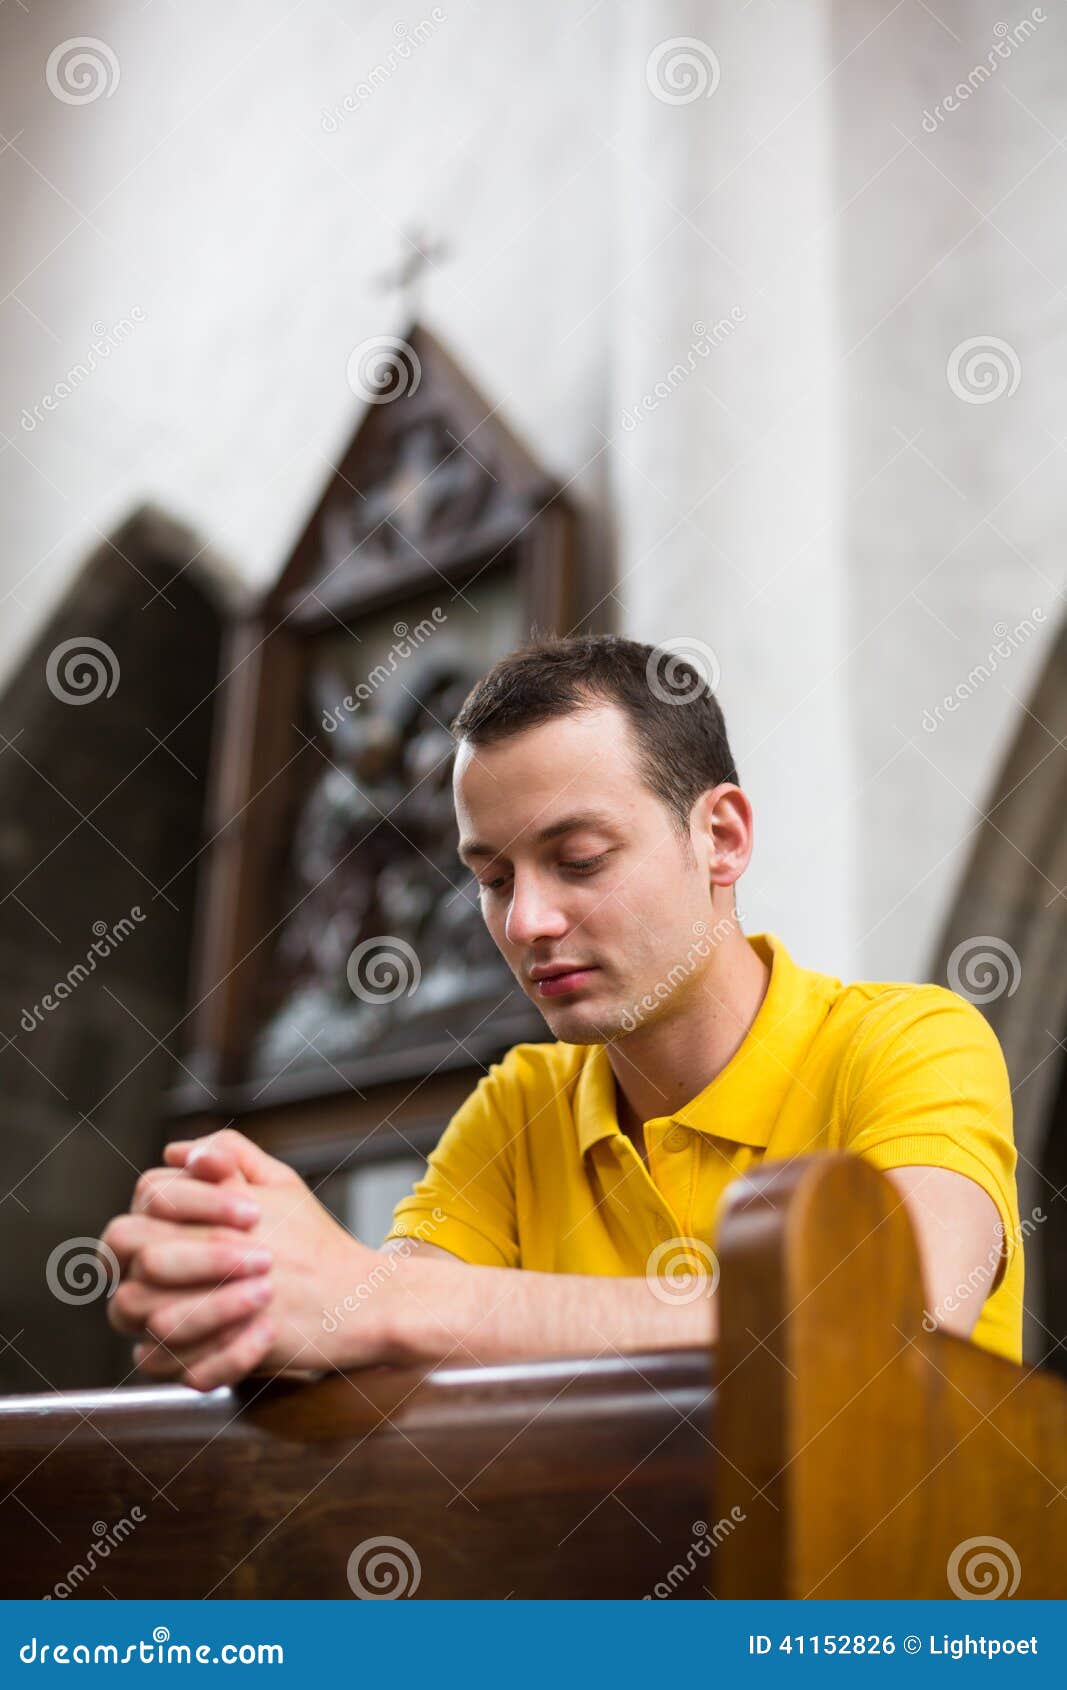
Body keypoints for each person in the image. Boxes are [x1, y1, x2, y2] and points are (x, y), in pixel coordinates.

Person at [101, 634, 1023, 1392]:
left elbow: (887, 1308)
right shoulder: (519, 1105)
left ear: (721, 837)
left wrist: (379, 1302)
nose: (528, 923)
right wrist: (240, 1278)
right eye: (492, 878)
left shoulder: (910, 1043)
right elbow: (380, 1336)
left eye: (578, 859)